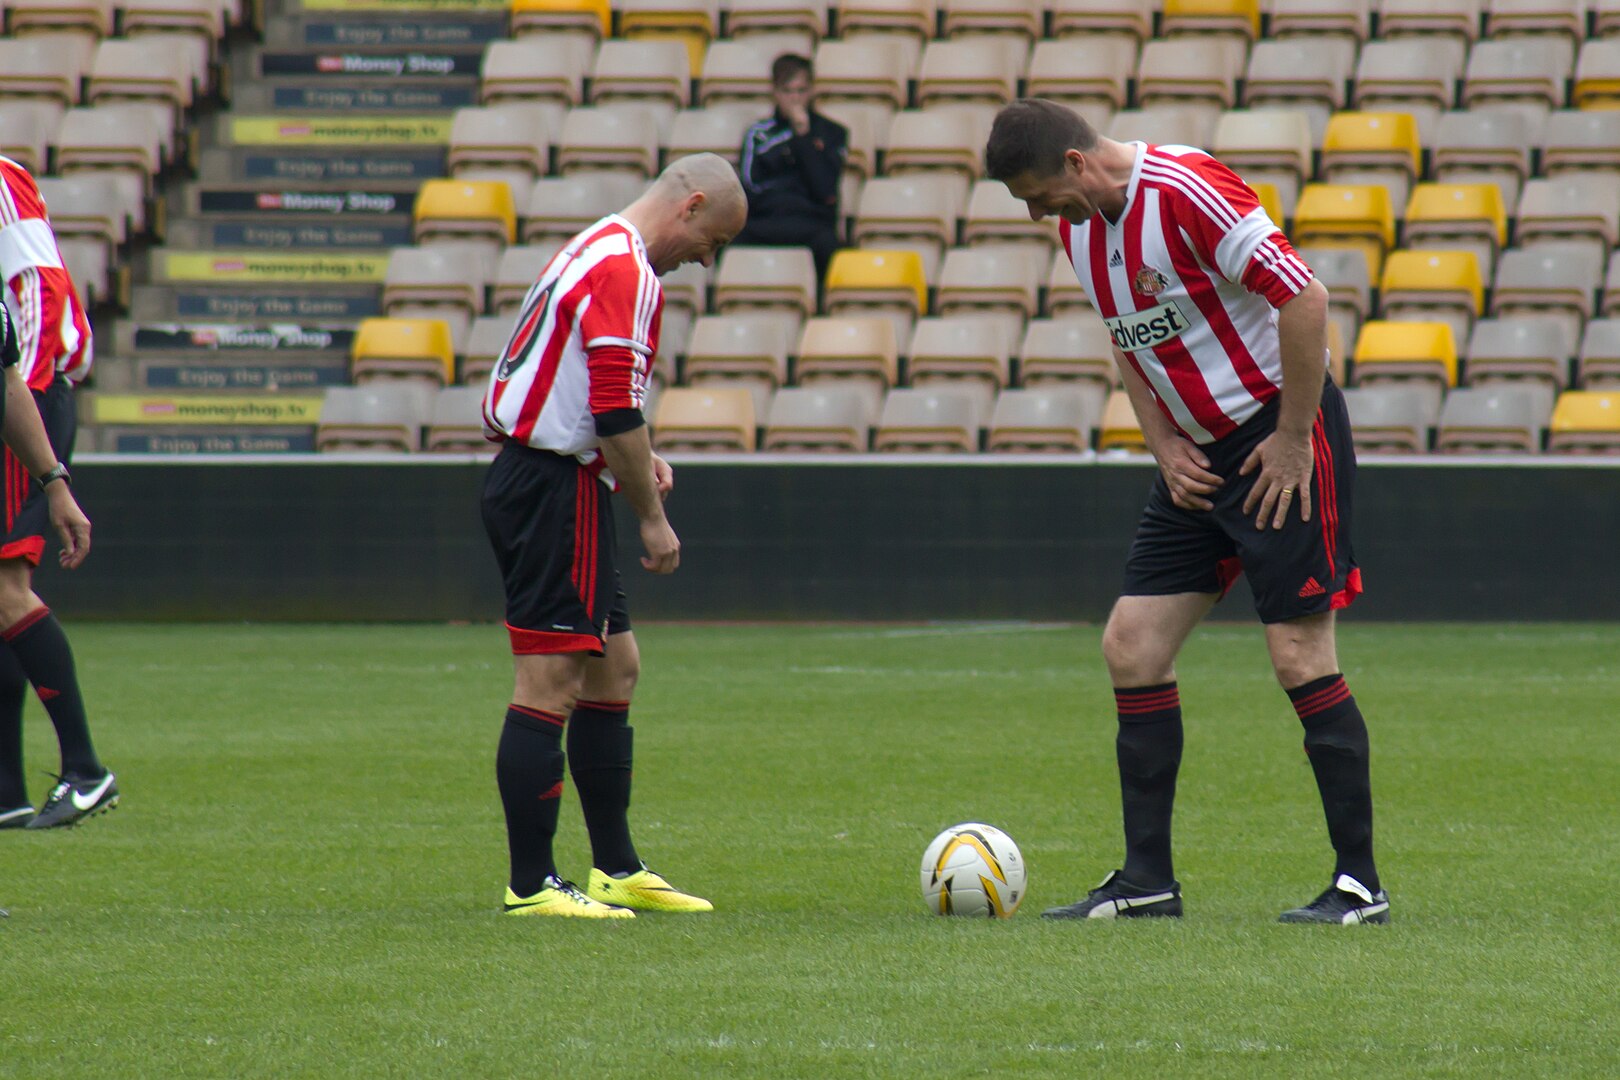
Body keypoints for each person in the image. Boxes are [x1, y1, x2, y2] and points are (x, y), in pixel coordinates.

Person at [985, 100, 1386, 925]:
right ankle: (1146, 884)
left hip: (1278, 437)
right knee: (1131, 647)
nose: (1036, 216)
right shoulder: (1080, 228)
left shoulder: (1188, 189)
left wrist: (1291, 437)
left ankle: (1359, 886)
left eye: (1038, 195)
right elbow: (1127, 336)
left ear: (1074, 161)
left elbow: (1303, 300)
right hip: (1196, 461)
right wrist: (1161, 442)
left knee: (1298, 655)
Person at [479, 154, 747, 918]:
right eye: (713, 241)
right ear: (691, 207)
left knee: (614, 668)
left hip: (557, 477)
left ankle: (615, 869)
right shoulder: (628, 269)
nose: (706, 259)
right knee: (551, 682)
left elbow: (591, 398)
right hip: (551, 489)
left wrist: (631, 460)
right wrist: (652, 519)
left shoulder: (596, 245)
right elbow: (613, 408)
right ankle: (531, 886)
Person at [0, 156, 107, 832]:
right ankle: (7, 789)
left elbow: (41, 284)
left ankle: (86, 769)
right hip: (17, 395)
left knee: (7, 588)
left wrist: (26, 397)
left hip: (21, 399)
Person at [734, 53, 847, 280]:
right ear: (775, 92)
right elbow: (749, 187)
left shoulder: (832, 132)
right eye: (788, 91)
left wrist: (802, 137)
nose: (795, 99)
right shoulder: (758, 134)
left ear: (812, 90)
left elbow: (826, 191)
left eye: (801, 90)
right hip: (767, 219)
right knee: (727, 242)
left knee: (831, 246)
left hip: (810, 221)